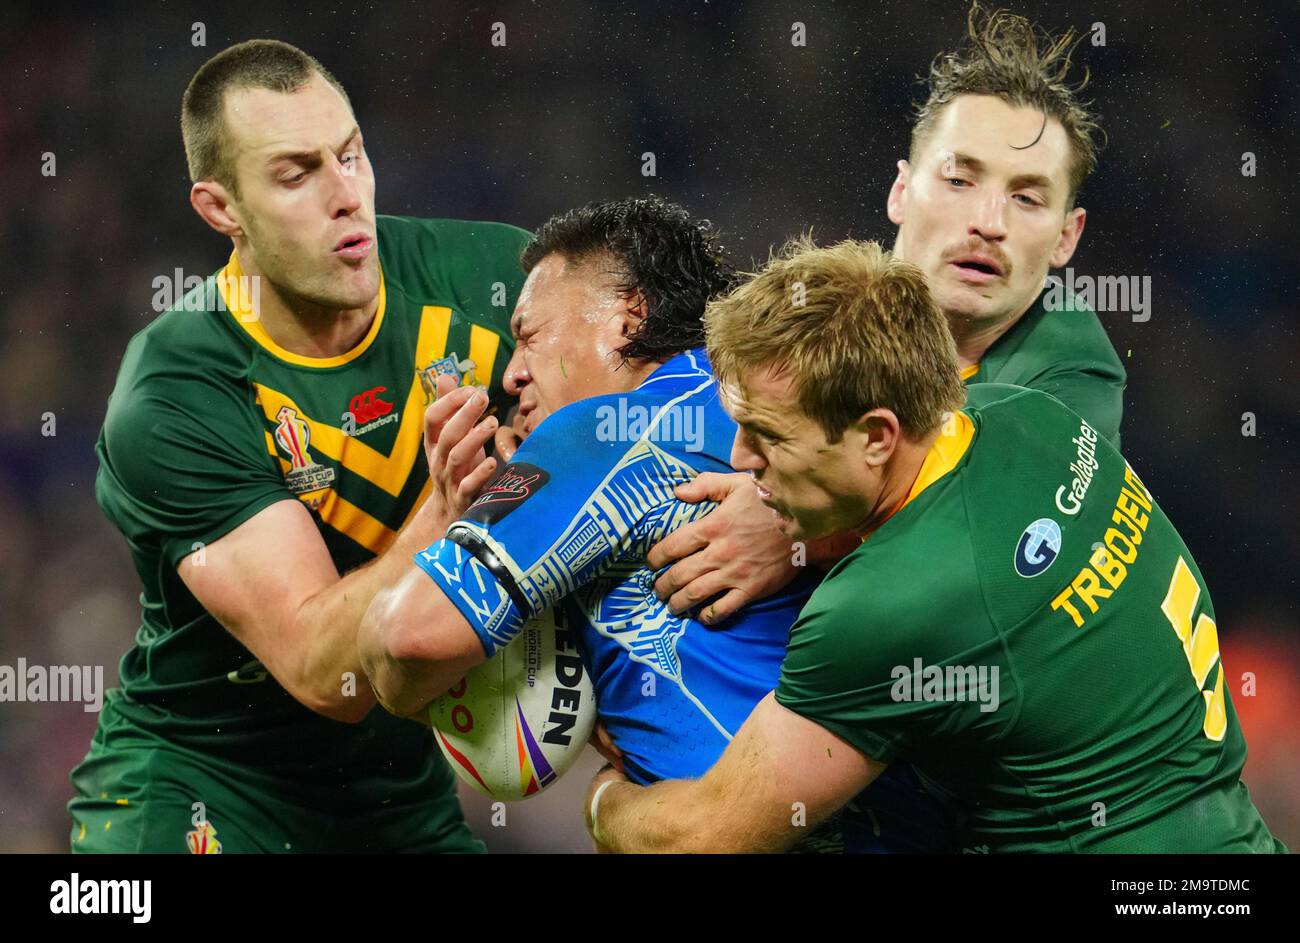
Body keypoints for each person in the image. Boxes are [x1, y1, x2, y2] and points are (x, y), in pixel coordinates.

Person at [582, 238, 1282, 853]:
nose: (741, 458)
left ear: (878, 435)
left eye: (769, 436)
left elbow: (704, 835)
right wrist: (794, 528)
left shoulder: (885, 607)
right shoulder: (1033, 418)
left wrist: (606, 797)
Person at [359, 198, 950, 852]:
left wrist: (452, 514)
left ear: (626, 317)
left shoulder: (600, 433)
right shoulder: (814, 415)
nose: (512, 372)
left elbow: (402, 644)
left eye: (529, 334)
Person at [70, 39, 525, 853]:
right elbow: (330, 675)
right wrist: (444, 518)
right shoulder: (173, 394)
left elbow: (692, 372)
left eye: (350, 155)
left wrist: (747, 504)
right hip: (198, 793)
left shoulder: (489, 280)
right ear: (220, 209)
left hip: (396, 801)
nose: (346, 195)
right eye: (296, 174)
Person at [648, 3, 1127, 627]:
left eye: (1027, 197)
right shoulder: (801, 313)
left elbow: (1006, 552)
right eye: (959, 180)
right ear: (902, 191)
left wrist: (803, 536)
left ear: (1066, 237)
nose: (989, 222)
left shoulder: (1069, 377)